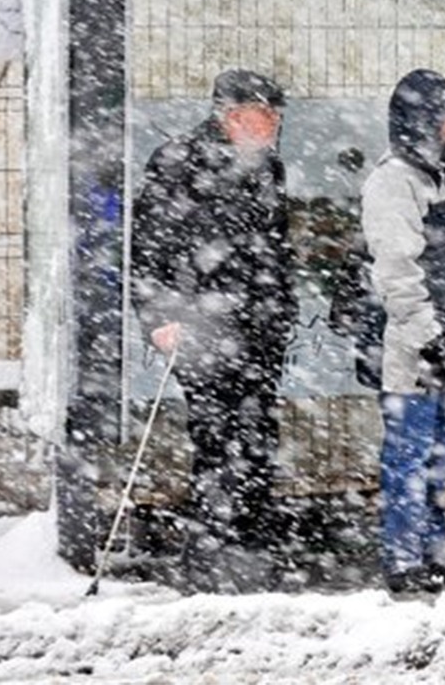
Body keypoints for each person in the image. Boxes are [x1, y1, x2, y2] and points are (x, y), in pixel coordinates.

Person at [131, 69, 297, 593]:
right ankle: (209, 555)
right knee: (215, 437)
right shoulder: (179, 161)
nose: (272, 125)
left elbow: (275, 245)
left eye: (276, 115)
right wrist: (157, 318)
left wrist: (281, 306)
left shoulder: (267, 166)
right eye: (263, 114)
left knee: (257, 437)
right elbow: (150, 245)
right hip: (201, 326)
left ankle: (250, 549)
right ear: (232, 115)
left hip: (258, 329)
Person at [362, 69, 445, 593]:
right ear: (423, 122)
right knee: (410, 453)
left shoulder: (440, 176)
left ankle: (429, 548)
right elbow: (396, 267)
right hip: (414, 348)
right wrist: (428, 334)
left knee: (443, 452)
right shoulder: (395, 181)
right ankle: (404, 556)